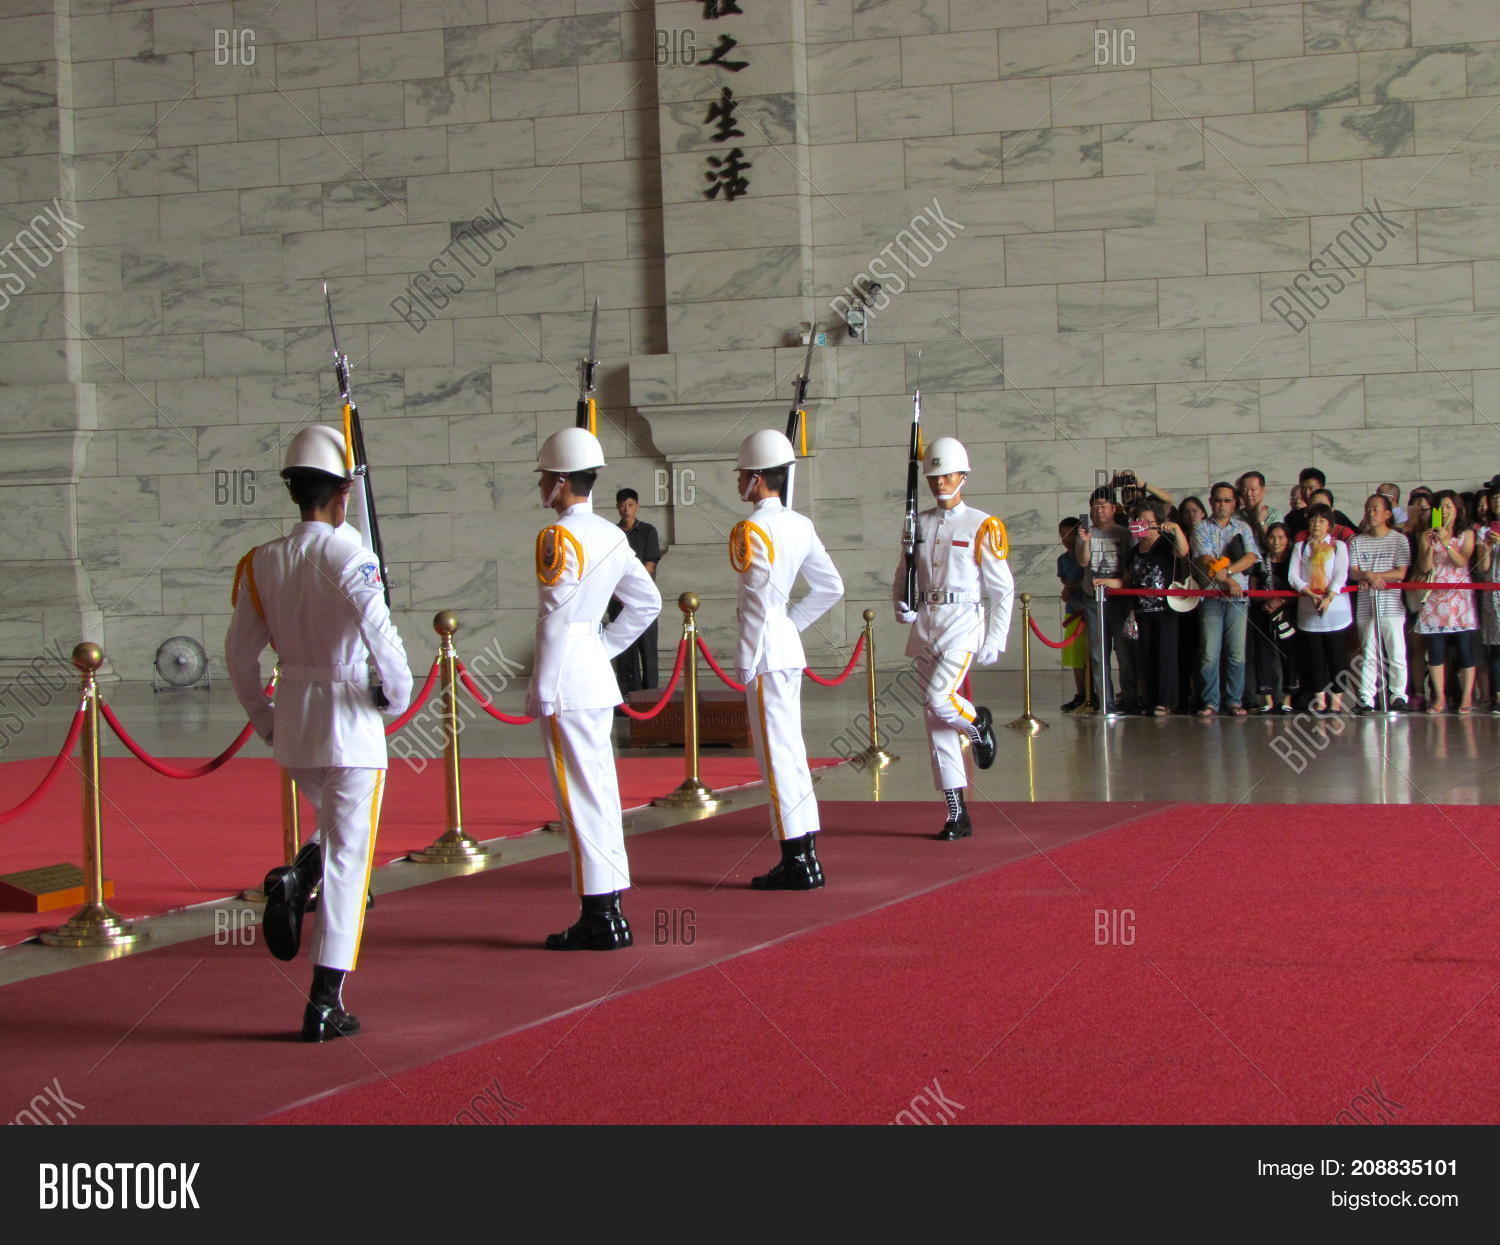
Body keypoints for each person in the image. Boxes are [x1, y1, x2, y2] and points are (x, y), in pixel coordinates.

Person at [226, 425, 413, 1042]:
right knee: (351, 860)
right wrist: (396, 698)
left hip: (297, 727)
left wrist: (265, 718)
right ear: (342, 495)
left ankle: (297, 878)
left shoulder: (263, 561)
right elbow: (385, 644)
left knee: (333, 833)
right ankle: (325, 1001)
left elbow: (239, 656)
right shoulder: (352, 558)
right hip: (350, 721)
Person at [528, 427, 662, 947]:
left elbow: (556, 618)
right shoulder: (611, 535)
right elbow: (647, 603)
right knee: (601, 791)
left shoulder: (558, 538)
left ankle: (598, 915)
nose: (542, 484)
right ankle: (611, 905)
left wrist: (545, 686)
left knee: (581, 797)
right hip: (595, 677)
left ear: (562, 481)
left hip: (567, 681)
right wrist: (603, 645)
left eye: (546, 476)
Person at [730, 430, 845, 888]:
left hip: (765, 651)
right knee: (792, 752)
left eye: (742, 474)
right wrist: (790, 625)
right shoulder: (799, 524)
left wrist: (746, 656)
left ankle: (795, 859)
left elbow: (757, 601)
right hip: (785, 647)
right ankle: (807, 851)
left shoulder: (752, 530)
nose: (738, 480)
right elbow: (831, 587)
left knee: (776, 756)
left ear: (757, 479)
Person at [892, 436, 1014, 839]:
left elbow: (1002, 589)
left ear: (963, 476)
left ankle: (978, 723)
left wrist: (995, 637)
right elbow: (904, 572)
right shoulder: (919, 523)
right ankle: (956, 812)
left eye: (946, 475)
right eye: (933, 477)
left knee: (940, 699)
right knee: (936, 721)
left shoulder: (982, 524)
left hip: (963, 624)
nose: (939, 482)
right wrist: (902, 604)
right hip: (927, 624)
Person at [1192, 482, 1260, 717]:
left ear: (1234, 504)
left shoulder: (1243, 527)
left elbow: (1251, 556)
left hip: (1238, 598)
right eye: (1218, 500)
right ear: (1211, 502)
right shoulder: (1201, 527)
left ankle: (1234, 700)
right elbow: (1206, 559)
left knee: (1236, 653)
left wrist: (1229, 574)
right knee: (1209, 653)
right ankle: (1210, 701)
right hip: (1211, 596)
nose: (1222, 504)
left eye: (1227, 500)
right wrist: (1228, 580)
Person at [1074, 486, 1137, 714]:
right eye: (1094, 506)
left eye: (1103, 506)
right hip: (1094, 601)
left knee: (1125, 654)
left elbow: (1133, 567)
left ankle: (1130, 700)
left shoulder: (1125, 534)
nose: (1098, 510)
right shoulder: (1086, 533)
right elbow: (1082, 562)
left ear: (1114, 508)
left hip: (1120, 601)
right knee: (1098, 655)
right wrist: (1085, 542)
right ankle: (1105, 704)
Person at [1414, 489, 1478, 713]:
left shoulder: (1466, 533)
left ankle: (1467, 697)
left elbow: (1461, 561)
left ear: (1457, 509)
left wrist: (1446, 542)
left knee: (1464, 648)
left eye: (1449, 507)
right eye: (1440, 508)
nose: (1445, 511)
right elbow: (1424, 567)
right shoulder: (1426, 534)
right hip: (1435, 598)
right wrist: (1429, 544)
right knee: (1435, 650)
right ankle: (1439, 697)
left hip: (1459, 598)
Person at [1124, 499, 1187, 715]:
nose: (1143, 524)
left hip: (1165, 610)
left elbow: (1182, 551)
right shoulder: (1134, 550)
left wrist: (1175, 528)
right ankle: (1149, 700)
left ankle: (1166, 701)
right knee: (1146, 656)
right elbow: (1127, 578)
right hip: (1142, 610)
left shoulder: (1166, 543)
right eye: (1139, 520)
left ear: (1157, 522)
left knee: (1165, 656)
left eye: (1147, 521)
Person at [1348, 493, 1410, 712]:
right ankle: (1366, 697)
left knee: (1396, 652)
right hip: (1366, 605)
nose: (1371, 513)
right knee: (1368, 653)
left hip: (1392, 606)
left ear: (1387, 514)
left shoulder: (1399, 540)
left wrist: (1374, 576)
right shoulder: (1357, 541)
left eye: (1375, 509)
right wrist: (1366, 575)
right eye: (1368, 508)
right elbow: (1354, 571)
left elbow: (1400, 572)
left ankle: (1398, 695)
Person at [1288, 503, 1352, 714]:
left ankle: (1336, 703)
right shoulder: (1301, 546)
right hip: (1309, 608)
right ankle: (1320, 701)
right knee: (1315, 658)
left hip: (1336, 609)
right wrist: (1309, 593)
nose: (1317, 524)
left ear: (1330, 525)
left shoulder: (1338, 546)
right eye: (1313, 520)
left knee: (1336, 657)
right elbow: (1293, 576)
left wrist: (1329, 596)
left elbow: (1340, 574)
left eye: (1322, 520)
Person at [608, 487, 666, 702]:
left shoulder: (648, 531)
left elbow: (649, 565)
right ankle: (628, 698)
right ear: (617, 507)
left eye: (630, 505)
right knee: (624, 653)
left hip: (643, 602)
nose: (626, 509)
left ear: (637, 506)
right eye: (622, 505)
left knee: (648, 650)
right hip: (618, 602)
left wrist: (629, 589)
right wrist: (617, 591)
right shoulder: (612, 534)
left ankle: (651, 698)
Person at [1249, 522, 1298, 713]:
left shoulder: (1294, 559)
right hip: (1263, 611)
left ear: (1288, 540)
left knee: (1290, 654)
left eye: (1281, 537)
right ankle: (1267, 699)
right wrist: (1264, 601)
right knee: (1263, 654)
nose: (1276, 542)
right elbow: (1253, 587)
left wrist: (1282, 600)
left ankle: (1287, 698)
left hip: (1288, 612)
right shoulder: (1260, 560)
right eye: (1272, 537)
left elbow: (1299, 584)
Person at [1056, 517, 1090, 712]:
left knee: (1088, 656)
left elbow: (1087, 580)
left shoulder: (1085, 556)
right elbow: (1064, 579)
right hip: (1072, 611)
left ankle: (1092, 694)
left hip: (1087, 610)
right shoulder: (1062, 559)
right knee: (1074, 656)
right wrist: (1067, 590)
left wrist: (1071, 587)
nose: (1066, 539)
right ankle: (1081, 693)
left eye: (1070, 534)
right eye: (1062, 535)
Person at [1472, 483, 1500, 714]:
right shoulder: (1484, 531)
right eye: (1495, 498)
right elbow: (1483, 568)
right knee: (1497, 648)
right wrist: (1488, 547)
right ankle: (1497, 696)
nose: (1497, 502)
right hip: (1494, 594)